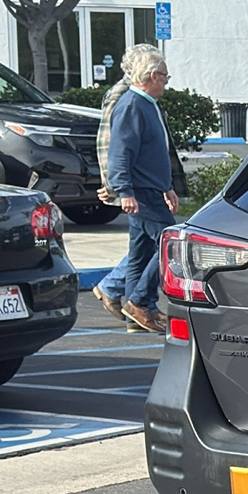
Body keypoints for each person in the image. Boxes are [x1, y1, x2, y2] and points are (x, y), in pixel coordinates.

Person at [92, 44, 187, 331]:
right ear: (152, 75)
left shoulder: (148, 104)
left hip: (151, 189)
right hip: (141, 193)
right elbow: (120, 151)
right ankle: (140, 302)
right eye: (165, 77)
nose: (167, 83)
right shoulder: (131, 104)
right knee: (171, 247)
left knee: (140, 253)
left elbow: (156, 152)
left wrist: (167, 186)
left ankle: (136, 315)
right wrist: (124, 191)